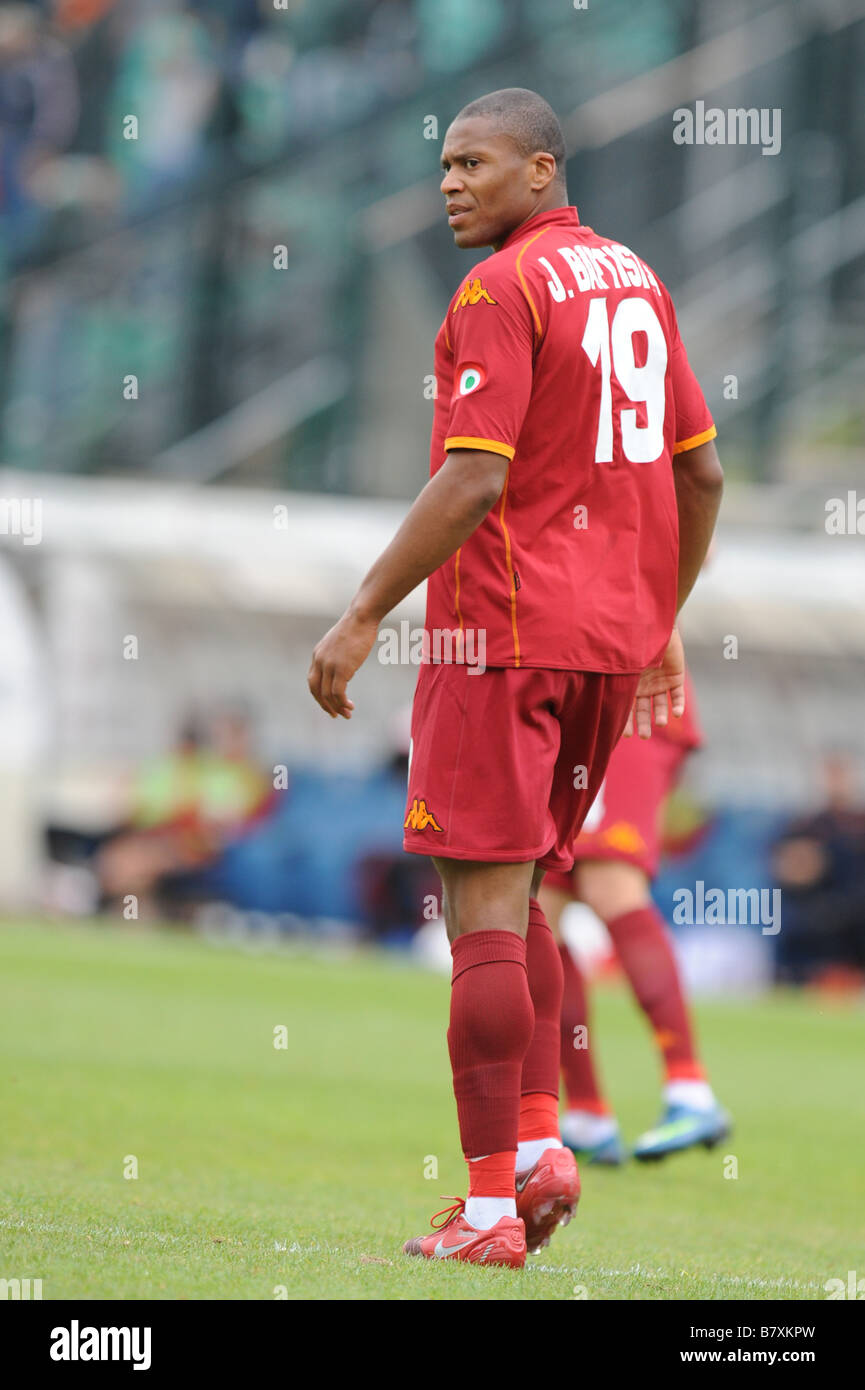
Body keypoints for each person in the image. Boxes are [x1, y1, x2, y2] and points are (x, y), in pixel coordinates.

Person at [308, 87, 723, 1268]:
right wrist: (657, 612)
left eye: (474, 163)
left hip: (496, 638)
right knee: (528, 893)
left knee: (481, 916)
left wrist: (362, 613)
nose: (451, 182)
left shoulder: (501, 288)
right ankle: (540, 1141)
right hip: (602, 655)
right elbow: (702, 478)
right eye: (442, 164)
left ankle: (491, 1206)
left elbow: (472, 480)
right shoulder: (636, 277)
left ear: (541, 170)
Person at [539, 669, 731, 1166]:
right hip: (573, 695)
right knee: (541, 905)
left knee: (611, 883)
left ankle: (690, 1090)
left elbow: (685, 584)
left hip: (629, 689)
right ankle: (586, 1112)